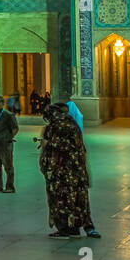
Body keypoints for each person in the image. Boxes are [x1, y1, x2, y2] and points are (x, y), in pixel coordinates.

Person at [38, 102, 100, 238]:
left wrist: (48, 144)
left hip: (62, 172)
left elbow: (62, 147)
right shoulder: (73, 124)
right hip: (77, 171)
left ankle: (67, 229)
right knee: (79, 199)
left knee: (63, 200)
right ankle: (80, 227)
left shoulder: (57, 126)